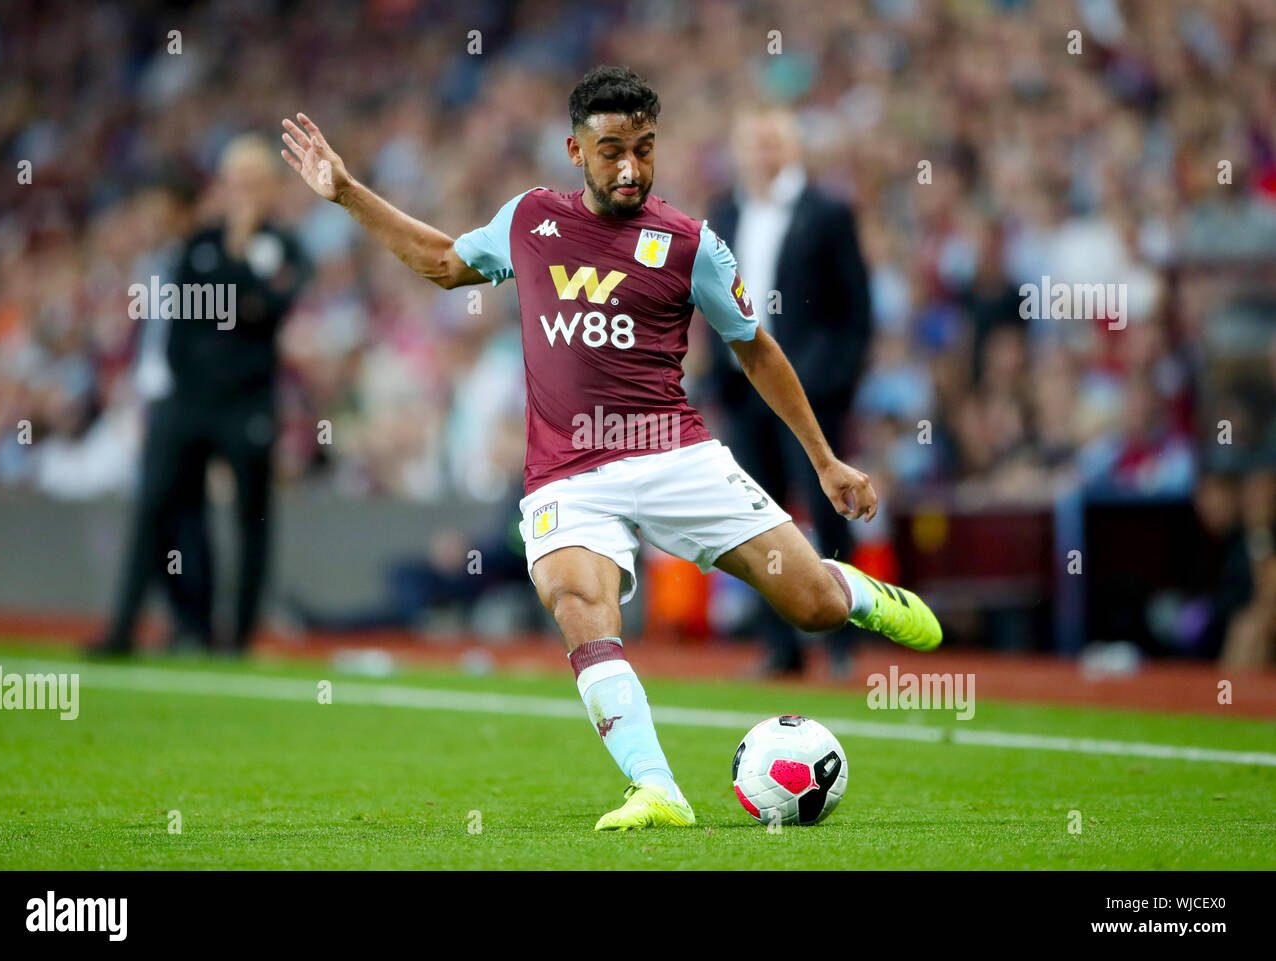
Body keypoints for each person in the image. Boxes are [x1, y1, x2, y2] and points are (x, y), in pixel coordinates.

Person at [280, 66, 941, 831]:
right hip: (568, 476)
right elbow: (440, 262)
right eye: (612, 150)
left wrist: (825, 459)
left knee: (814, 607)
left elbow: (755, 349)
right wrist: (346, 191)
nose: (630, 167)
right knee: (575, 599)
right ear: (575, 150)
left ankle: (861, 595)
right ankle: (657, 787)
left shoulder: (691, 244)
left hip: (675, 457)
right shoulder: (529, 220)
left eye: (644, 148)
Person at [93, 135, 312, 655]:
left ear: (273, 187)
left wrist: (238, 256)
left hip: (248, 404)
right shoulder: (199, 243)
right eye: (236, 181)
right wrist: (172, 397)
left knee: (252, 519)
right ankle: (124, 628)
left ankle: (237, 638)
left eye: (255, 181)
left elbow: (271, 309)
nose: (244, 192)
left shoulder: (286, 247)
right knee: (155, 508)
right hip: (189, 402)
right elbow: (184, 323)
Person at [706, 104, 873, 676]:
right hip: (744, 390)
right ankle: (782, 645)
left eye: (773, 141)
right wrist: (713, 377)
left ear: (793, 148)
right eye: (754, 142)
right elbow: (705, 297)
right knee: (758, 516)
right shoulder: (725, 209)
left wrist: (834, 383)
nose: (763, 153)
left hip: (812, 392)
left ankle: (844, 640)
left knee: (829, 511)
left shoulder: (828, 212)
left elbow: (855, 310)